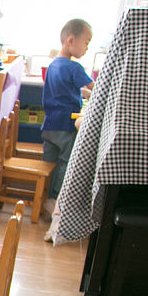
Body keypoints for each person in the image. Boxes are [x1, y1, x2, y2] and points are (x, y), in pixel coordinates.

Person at [42, 18, 94, 242]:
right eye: (87, 42)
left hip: (49, 124)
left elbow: (65, 91)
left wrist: (84, 94)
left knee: (49, 163)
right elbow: (95, 87)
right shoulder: (74, 67)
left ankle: (45, 199)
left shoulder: (54, 64)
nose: (87, 47)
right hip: (66, 124)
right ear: (71, 40)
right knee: (65, 163)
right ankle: (55, 200)